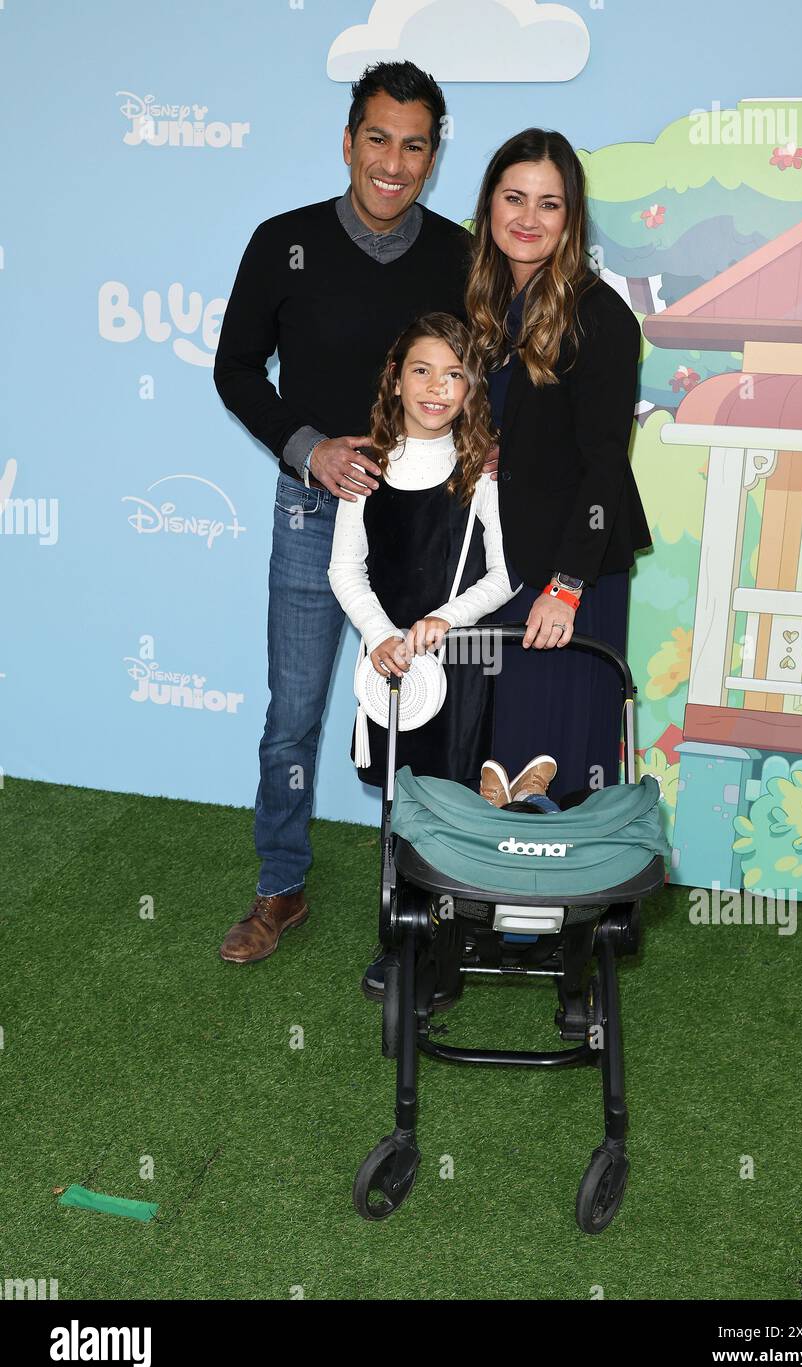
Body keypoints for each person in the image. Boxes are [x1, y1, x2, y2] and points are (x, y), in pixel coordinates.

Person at [212, 61, 478, 966]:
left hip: (421, 529)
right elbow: (236, 370)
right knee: (294, 715)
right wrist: (309, 449)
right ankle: (279, 889)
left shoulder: (457, 256)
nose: (392, 162)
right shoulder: (280, 242)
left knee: (421, 713)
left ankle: (423, 901)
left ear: (433, 155)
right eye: (377, 139)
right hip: (309, 517)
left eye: (413, 144)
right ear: (348, 141)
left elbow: (483, 385)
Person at [466, 129, 653, 804]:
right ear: (488, 205)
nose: (527, 217)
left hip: (572, 567)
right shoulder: (484, 307)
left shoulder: (598, 316)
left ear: (571, 218)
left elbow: (605, 462)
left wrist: (565, 586)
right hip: (504, 560)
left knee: (556, 759)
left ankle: (561, 903)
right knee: (500, 756)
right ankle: (494, 897)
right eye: (514, 197)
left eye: (548, 204)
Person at [328, 312, 515, 792]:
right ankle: (397, 872)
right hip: (390, 661)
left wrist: (447, 619)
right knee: (400, 794)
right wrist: (380, 635)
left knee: (455, 794)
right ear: (394, 379)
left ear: (471, 390)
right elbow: (346, 569)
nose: (437, 387)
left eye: (454, 375)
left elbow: (505, 574)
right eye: (421, 371)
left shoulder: (484, 471)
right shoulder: (365, 469)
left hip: (464, 663)